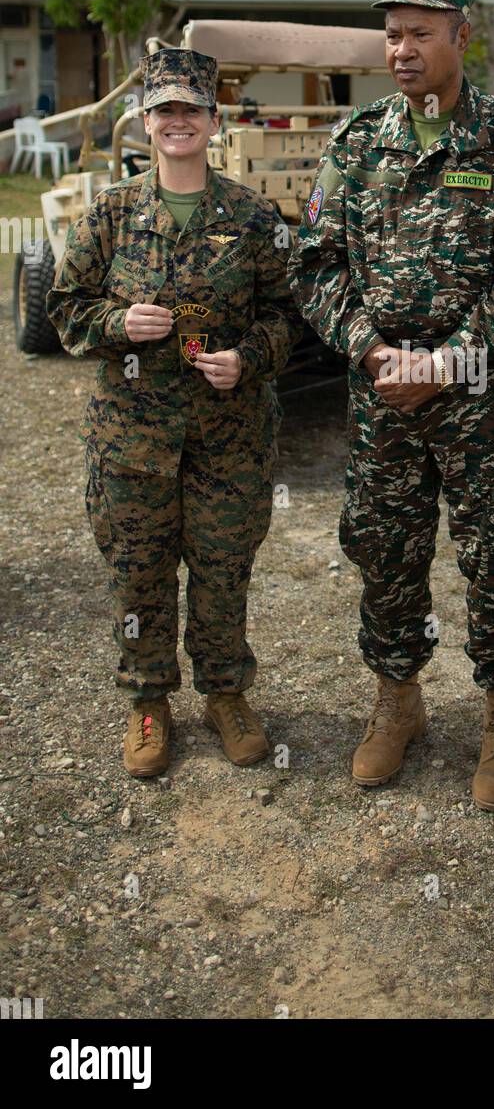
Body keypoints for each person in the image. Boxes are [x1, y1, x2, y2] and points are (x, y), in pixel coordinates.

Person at [288, 0, 494, 812]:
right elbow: (314, 262)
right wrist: (372, 351)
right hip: (382, 401)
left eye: (420, 33)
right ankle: (396, 702)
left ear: (460, 37)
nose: (402, 50)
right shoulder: (357, 139)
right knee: (385, 551)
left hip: (480, 404)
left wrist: (445, 363)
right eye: (393, 33)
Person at [47, 49, 301, 778]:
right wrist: (117, 326)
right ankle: (148, 700)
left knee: (223, 570)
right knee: (140, 571)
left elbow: (290, 317)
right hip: (134, 438)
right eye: (164, 110)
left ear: (214, 122)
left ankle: (226, 693)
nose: (178, 121)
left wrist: (247, 358)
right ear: (146, 123)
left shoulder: (253, 218)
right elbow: (65, 309)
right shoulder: (112, 212)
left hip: (230, 437)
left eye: (192, 108)